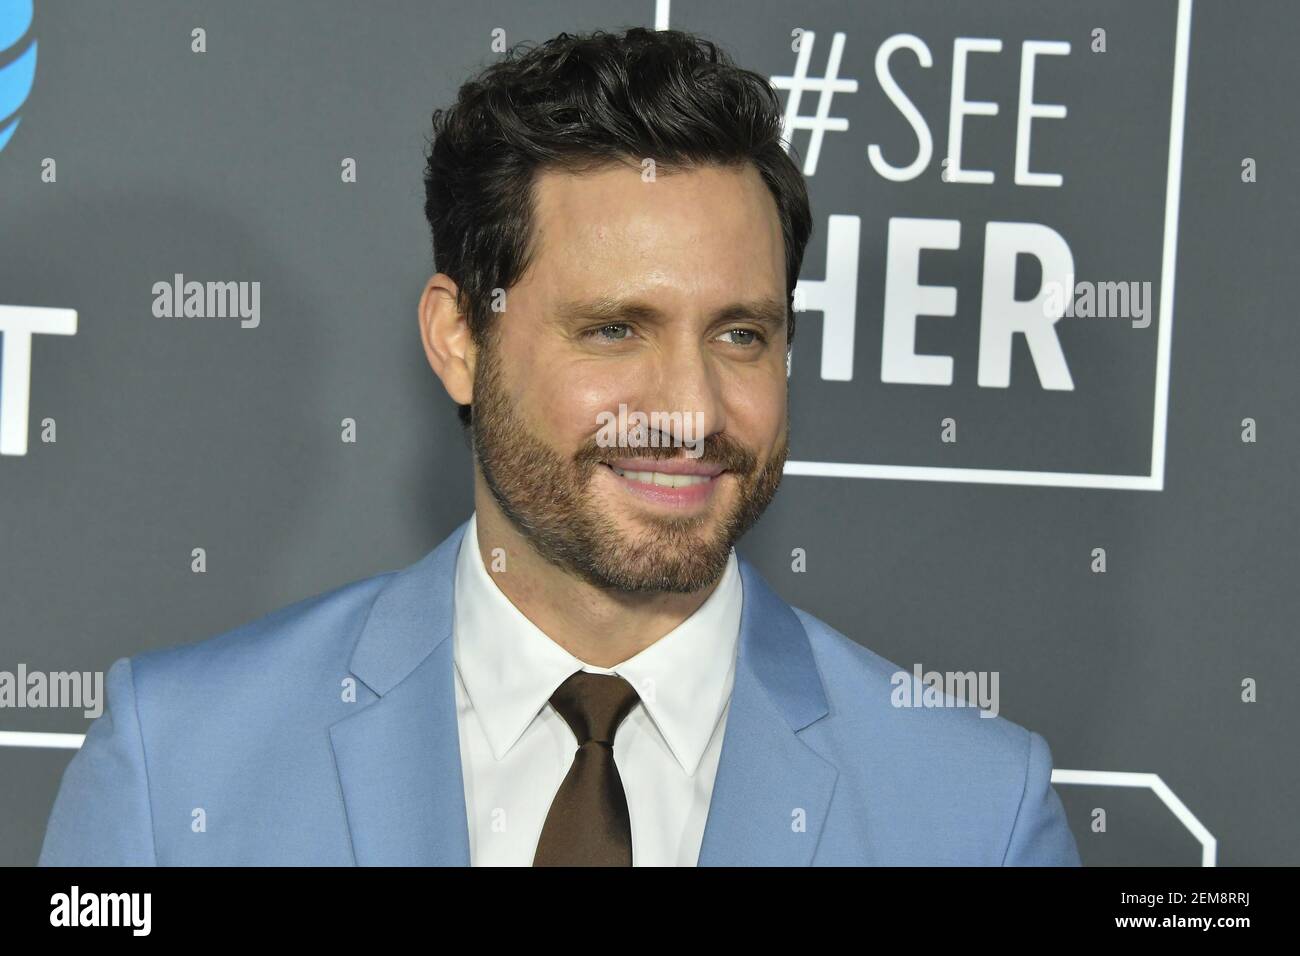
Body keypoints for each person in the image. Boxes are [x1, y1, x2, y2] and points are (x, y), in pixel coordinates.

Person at [39, 27, 1080, 866]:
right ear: (459, 338)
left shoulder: (973, 812)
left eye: (740, 334)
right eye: (614, 328)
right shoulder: (177, 764)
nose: (689, 408)